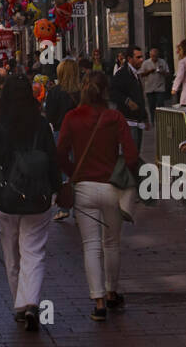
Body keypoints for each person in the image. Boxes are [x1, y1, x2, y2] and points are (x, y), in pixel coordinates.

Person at [0, 75, 59, 331]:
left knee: (11, 255)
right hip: (37, 197)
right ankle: (30, 301)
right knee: (34, 252)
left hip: (6, 198)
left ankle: (19, 304)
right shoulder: (41, 124)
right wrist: (57, 188)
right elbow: (52, 160)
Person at [56, 72, 140, 322]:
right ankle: (112, 290)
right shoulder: (115, 117)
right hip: (111, 186)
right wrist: (123, 172)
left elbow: (60, 153)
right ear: (105, 92)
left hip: (84, 187)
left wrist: (74, 173)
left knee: (90, 245)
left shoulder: (71, 118)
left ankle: (99, 300)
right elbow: (133, 156)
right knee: (112, 242)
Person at [44, 59, 82, 222]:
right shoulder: (82, 91)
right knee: (78, 169)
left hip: (61, 133)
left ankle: (64, 206)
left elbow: (50, 115)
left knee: (62, 169)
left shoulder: (54, 92)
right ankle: (79, 207)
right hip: (80, 134)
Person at [111, 46, 149, 153]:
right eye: (138, 57)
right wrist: (127, 101)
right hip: (128, 120)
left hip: (137, 118)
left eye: (141, 57)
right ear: (129, 59)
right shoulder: (122, 73)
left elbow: (139, 97)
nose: (141, 60)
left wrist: (144, 116)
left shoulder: (135, 73)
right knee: (130, 152)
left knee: (136, 151)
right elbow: (113, 92)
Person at [138, 47, 170, 124]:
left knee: (160, 104)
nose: (154, 58)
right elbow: (141, 74)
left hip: (160, 87)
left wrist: (162, 72)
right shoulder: (146, 63)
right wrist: (149, 71)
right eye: (153, 56)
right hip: (149, 88)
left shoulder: (162, 62)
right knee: (151, 106)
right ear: (150, 55)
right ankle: (153, 120)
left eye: (156, 56)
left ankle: (162, 120)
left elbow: (168, 73)